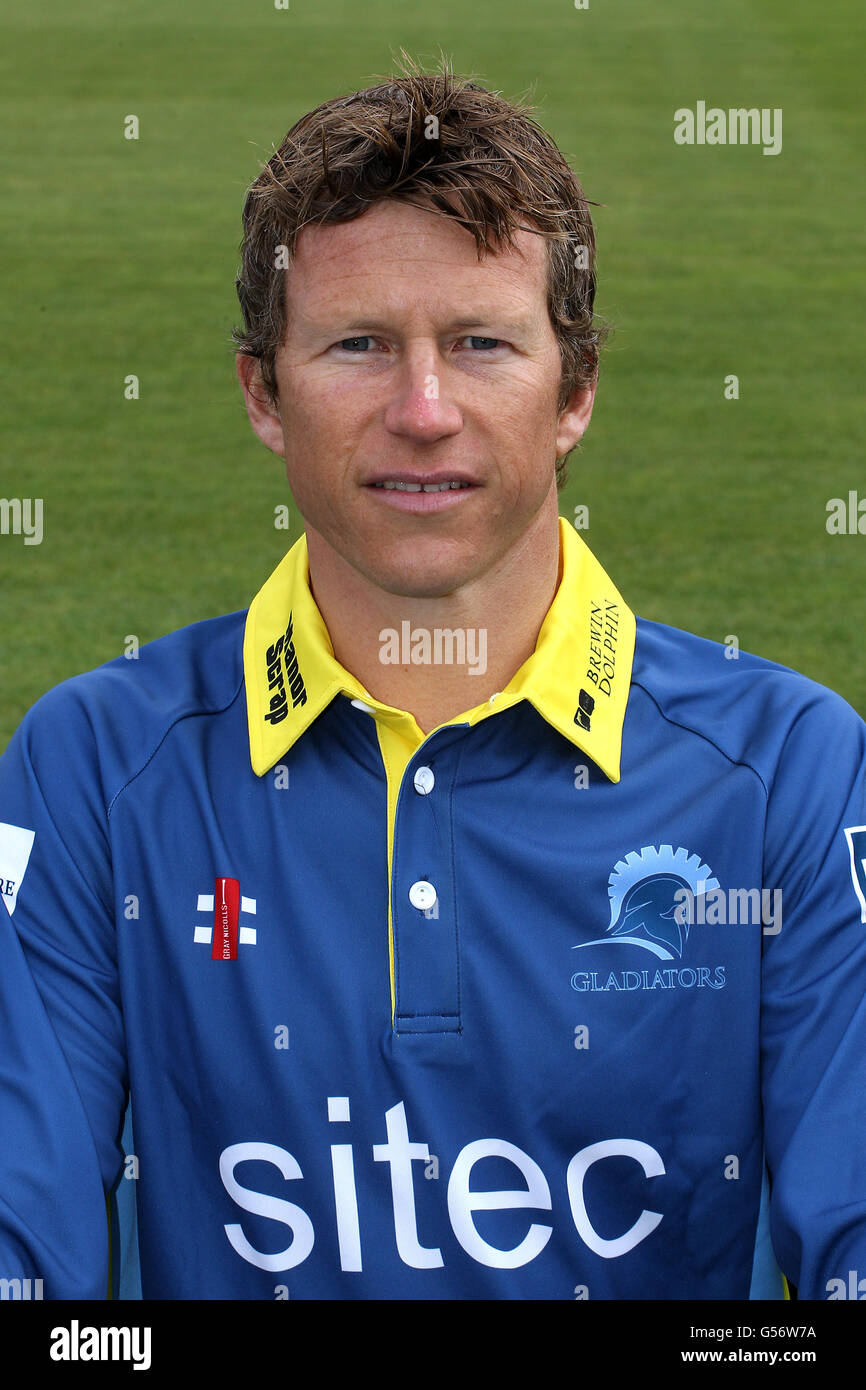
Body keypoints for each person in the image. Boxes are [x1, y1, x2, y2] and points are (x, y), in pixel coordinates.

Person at [1, 58, 865, 1303]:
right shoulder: (92, 767)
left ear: (572, 391)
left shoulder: (789, 770)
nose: (421, 409)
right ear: (262, 391)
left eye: (478, 344)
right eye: (358, 344)